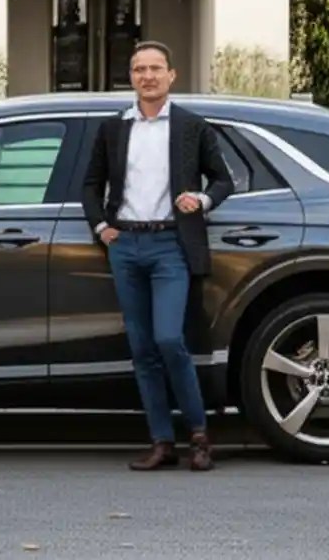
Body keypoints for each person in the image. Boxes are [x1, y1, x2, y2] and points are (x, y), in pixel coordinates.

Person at [81, 40, 233, 472]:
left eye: (155, 68)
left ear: (171, 76)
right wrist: (101, 227)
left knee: (169, 340)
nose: (147, 76)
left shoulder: (190, 127)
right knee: (142, 347)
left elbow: (223, 180)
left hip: (171, 245)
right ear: (130, 77)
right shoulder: (115, 128)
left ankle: (200, 436)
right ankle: (161, 441)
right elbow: (90, 185)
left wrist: (202, 201)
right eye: (138, 69)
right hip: (125, 245)